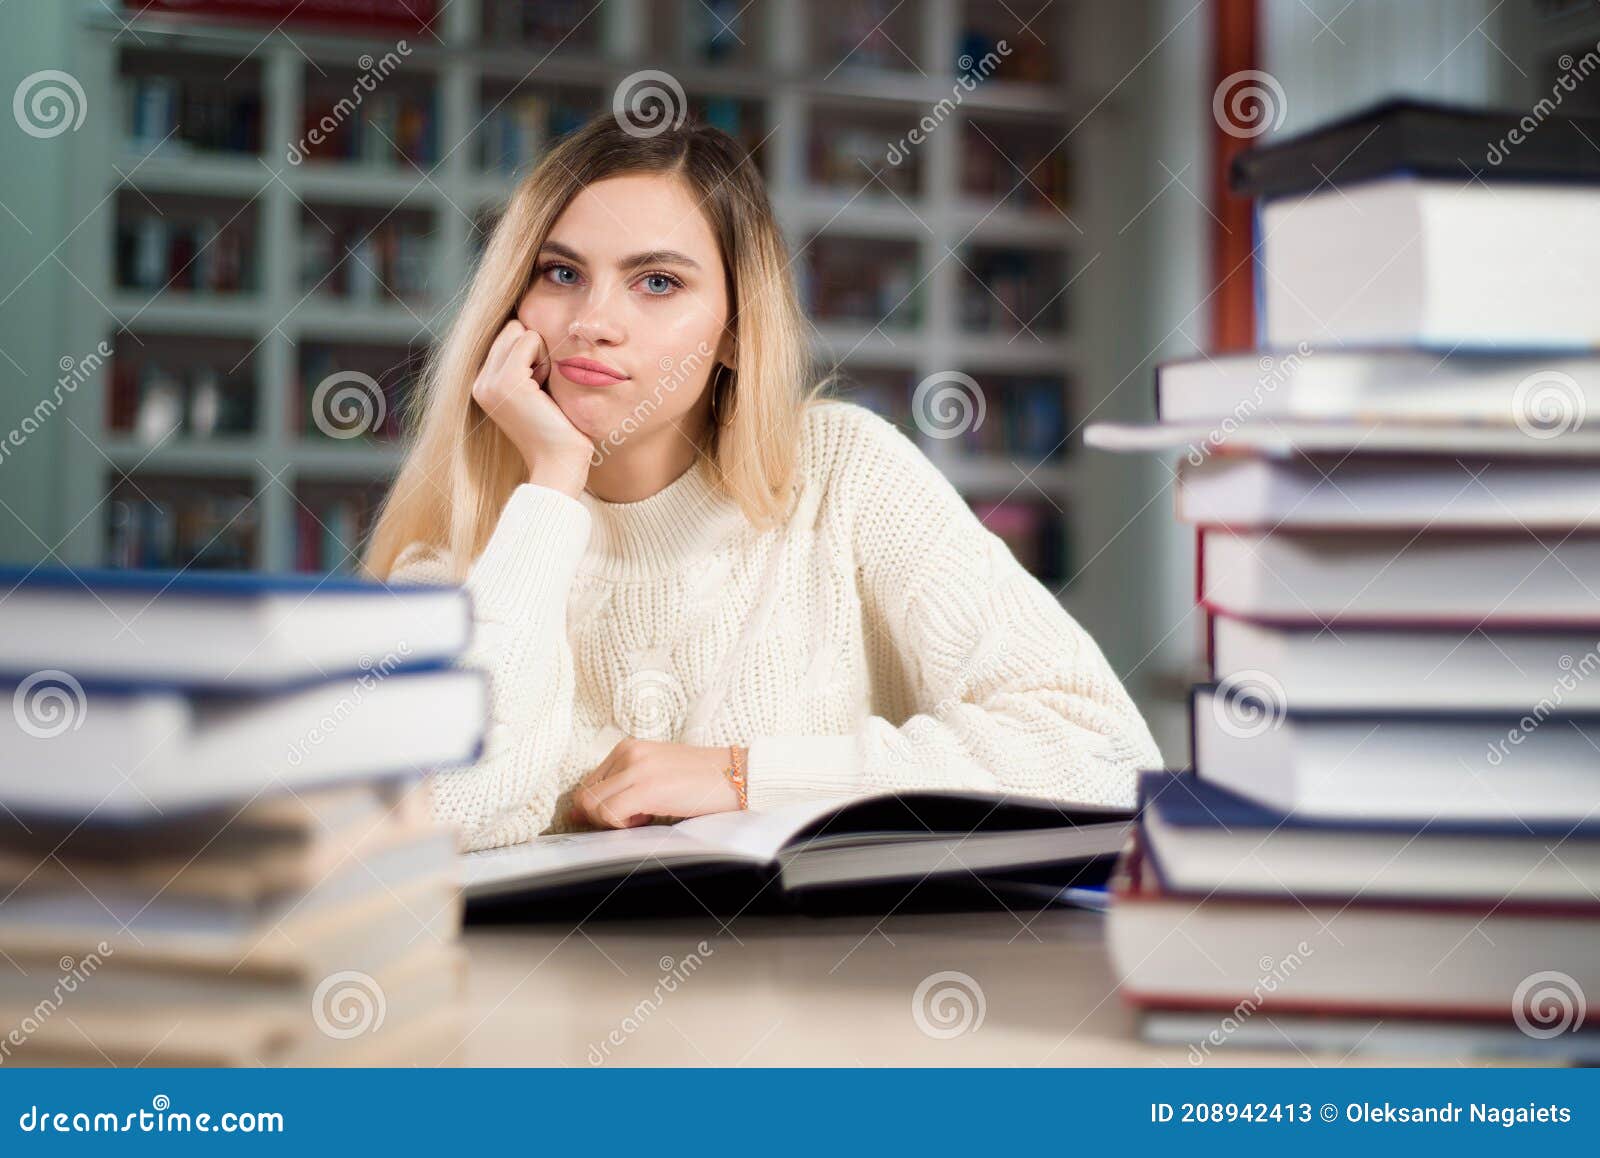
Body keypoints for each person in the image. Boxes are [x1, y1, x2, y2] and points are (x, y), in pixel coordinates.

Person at [363, 112, 1162, 853]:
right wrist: (551, 484)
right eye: (560, 273)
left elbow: (1102, 754)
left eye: (658, 282)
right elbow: (443, 813)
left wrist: (742, 775)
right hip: (555, 997)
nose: (591, 321)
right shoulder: (467, 548)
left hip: (821, 984)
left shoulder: (842, 473)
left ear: (736, 336)